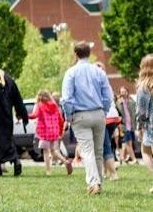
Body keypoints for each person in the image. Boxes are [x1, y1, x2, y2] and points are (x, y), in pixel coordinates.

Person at [60, 42, 113, 195]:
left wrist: (68, 116)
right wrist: (104, 110)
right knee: (98, 150)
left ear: (75, 54)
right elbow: (107, 96)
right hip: (98, 113)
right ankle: (99, 182)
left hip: (80, 114)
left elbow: (67, 99)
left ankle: (93, 183)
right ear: (89, 53)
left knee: (87, 151)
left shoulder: (71, 72)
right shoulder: (99, 72)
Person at [0, 53, 28, 176]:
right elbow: (18, 98)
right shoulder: (7, 78)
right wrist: (21, 113)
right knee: (8, 139)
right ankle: (16, 160)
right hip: (7, 116)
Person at [28, 90, 72, 176]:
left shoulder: (40, 105)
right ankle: (66, 162)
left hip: (44, 132)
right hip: (54, 131)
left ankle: (48, 171)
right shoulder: (54, 106)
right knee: (54, 150)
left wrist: (25, 115)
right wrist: (60, 131)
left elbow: (34, 115)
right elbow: (60, 119)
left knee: (45, 151)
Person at [134, 54, 153, 194]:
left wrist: (139, 127)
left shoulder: (143, 88)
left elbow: (141, 112)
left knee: (145, 151)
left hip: (150, 126)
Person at [116, 87, 137, 164]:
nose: (123, 93)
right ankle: (134, 159)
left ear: (127, 92)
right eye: (122, 92)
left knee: (126, 143)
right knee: (129, 143)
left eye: (124, 91)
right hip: (123, 126)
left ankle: (122, 159)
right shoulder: (118, 103)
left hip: (131, 125)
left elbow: (134, 113)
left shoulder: (131, 102)